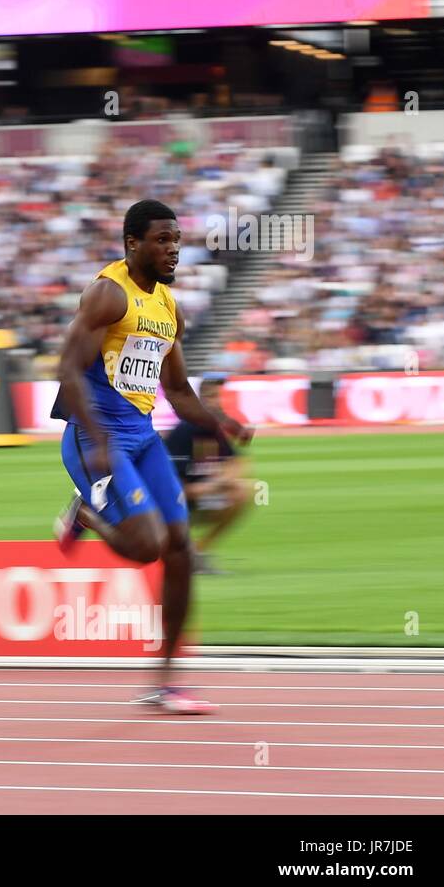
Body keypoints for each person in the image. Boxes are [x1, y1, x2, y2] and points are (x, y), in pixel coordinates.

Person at [52, 200, 253, 714]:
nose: (172, 250)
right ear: (132, 244)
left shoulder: (169, 308)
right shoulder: (107, 295)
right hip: (95, 436)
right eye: (161, 241)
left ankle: (167, 682)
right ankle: (85, 511)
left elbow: (179, 392)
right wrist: (96, 439)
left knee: (180, 547)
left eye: (177, 241)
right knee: (146, 547)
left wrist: (221, 422)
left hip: (140, 437)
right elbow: (67, 371)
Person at [163, 372, 254, 575]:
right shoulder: (184, 432)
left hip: (199, 500)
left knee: (243, 491)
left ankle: (197, 551)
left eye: (218, 396)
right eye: (212, 397)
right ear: (201, 400)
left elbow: (238, 462)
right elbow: (172, 488)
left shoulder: (214, 430)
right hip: (173, 507)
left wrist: (224, 479)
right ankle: (178, 553)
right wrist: (210, 487)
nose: (217, 402)